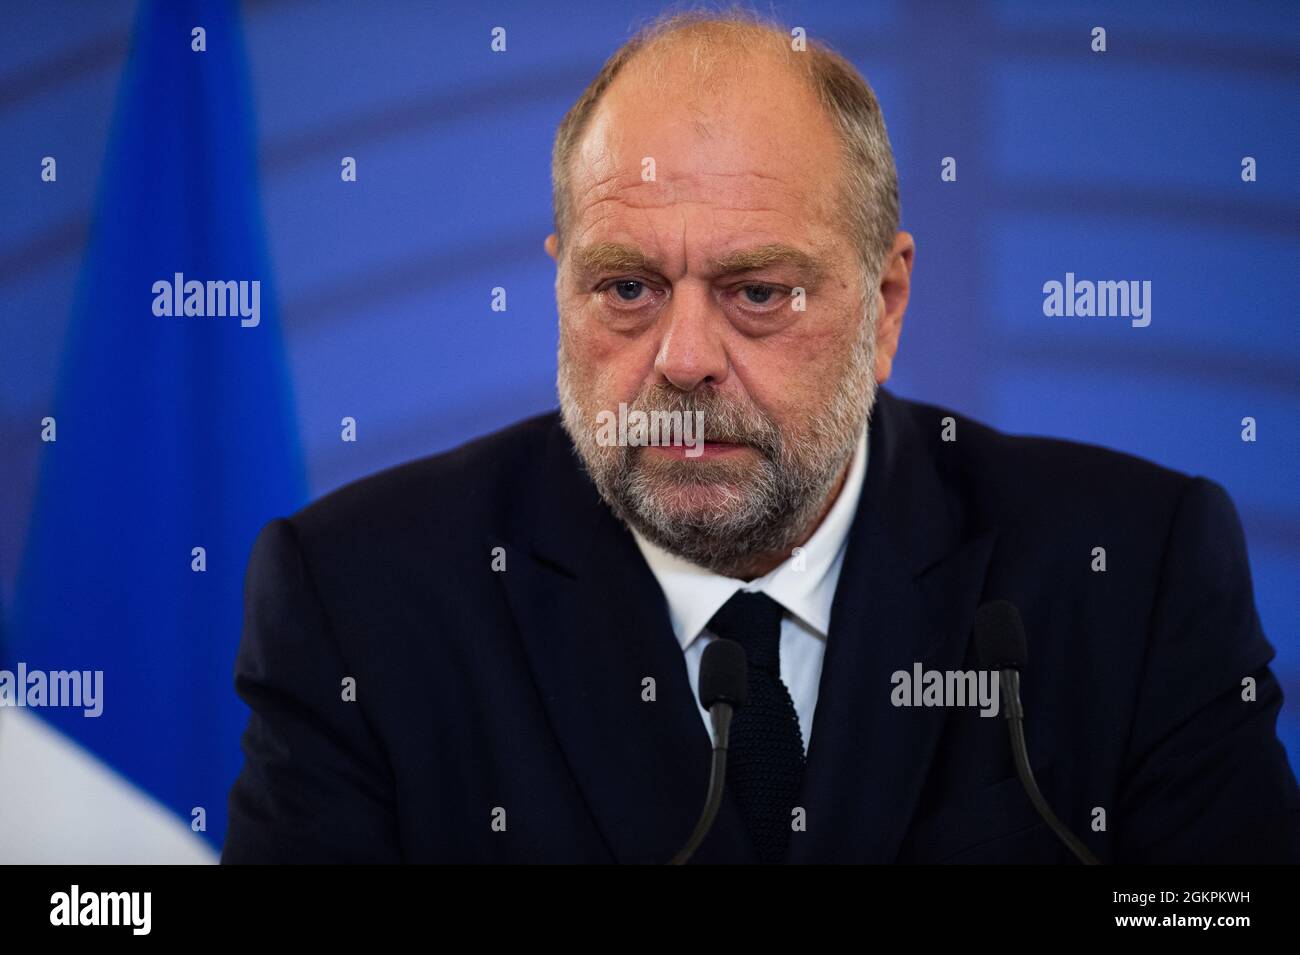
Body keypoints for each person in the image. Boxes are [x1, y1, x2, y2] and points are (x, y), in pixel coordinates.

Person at [222, 10, 1300, 864]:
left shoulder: (1131, 572)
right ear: (559, 281)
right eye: (627, 287)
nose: (681, 357)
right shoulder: (363, 598)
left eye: (757, 292)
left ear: (884, 305)